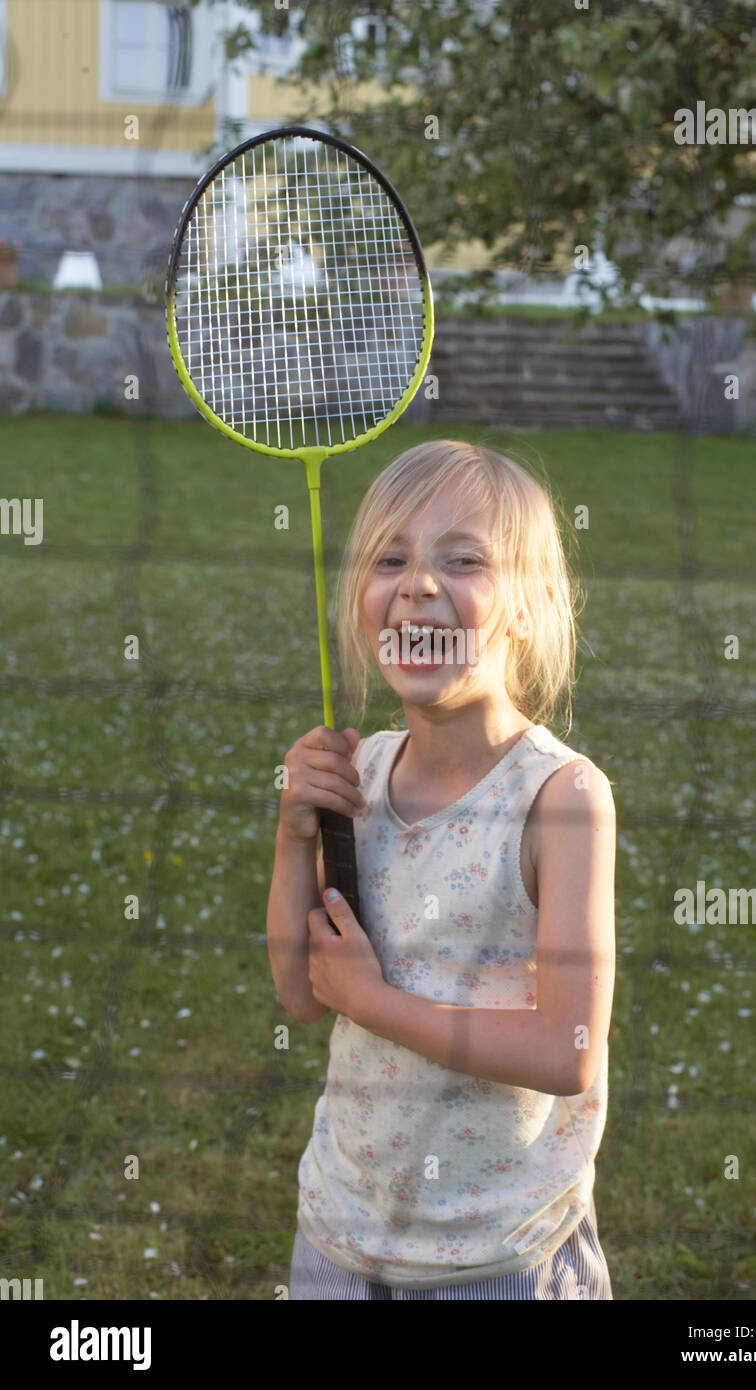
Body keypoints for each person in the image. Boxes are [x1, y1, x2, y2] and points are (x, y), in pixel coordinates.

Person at [267, 439, 616, 1299]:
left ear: (528, 608)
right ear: (363, 605)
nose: (418, 582)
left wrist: (377, 1004)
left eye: (462, 560)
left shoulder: (560, 798)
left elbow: (568, 1052)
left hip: (500, 1252)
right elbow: (302, 993)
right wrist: (293, 837)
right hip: (341, 1233)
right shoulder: (361, 774)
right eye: (391, 559)